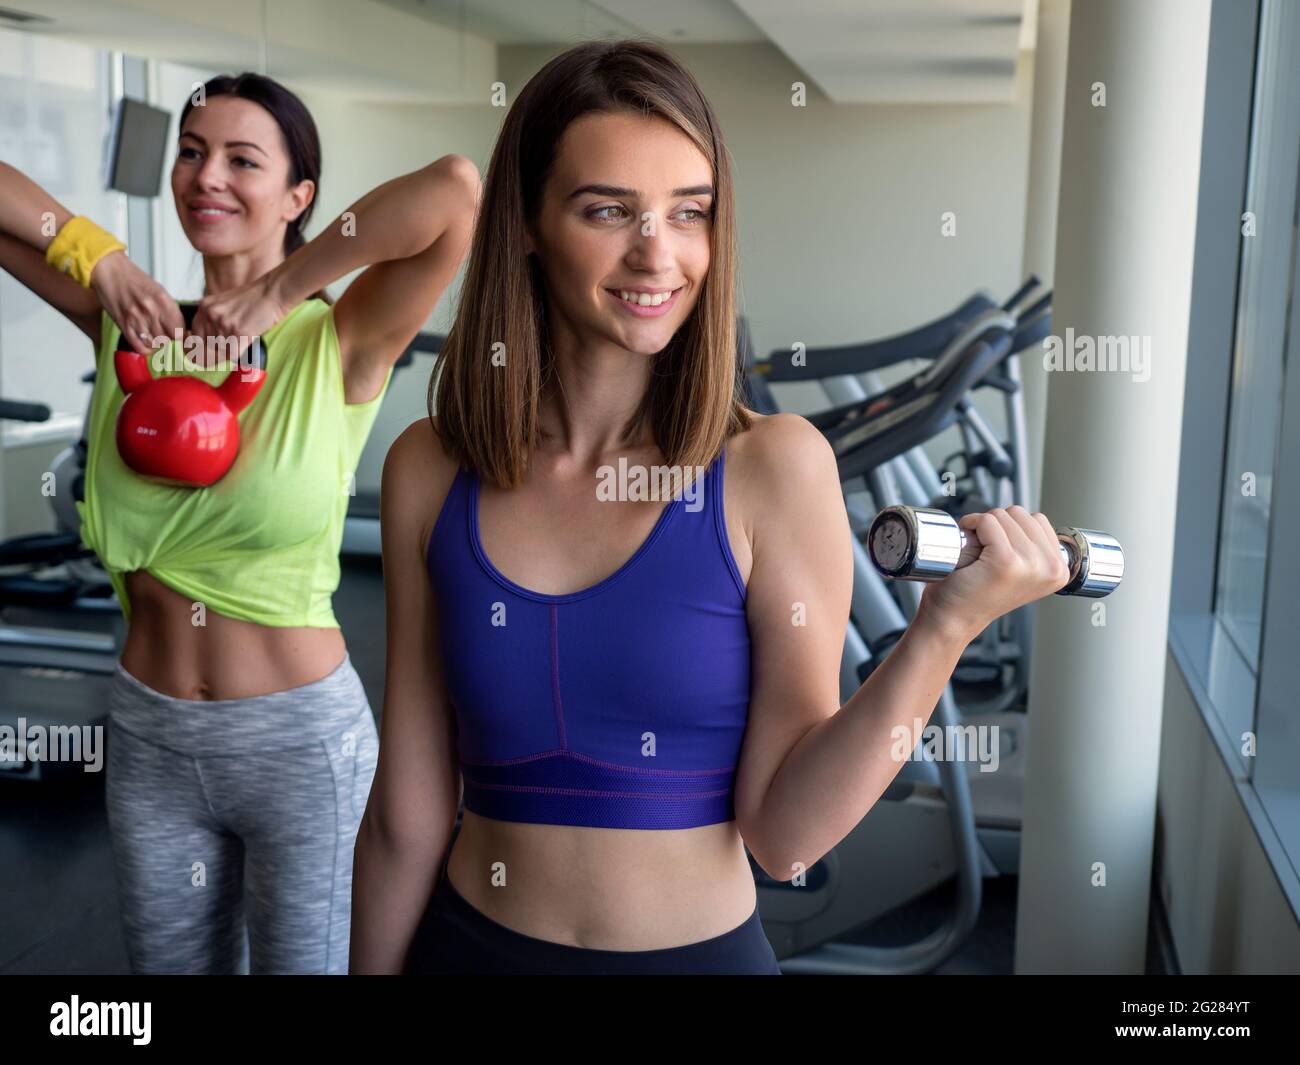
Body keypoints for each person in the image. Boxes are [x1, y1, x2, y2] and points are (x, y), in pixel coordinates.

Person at [351, 39, 1069, 976]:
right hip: (467, 949)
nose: (658, 252)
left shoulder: (773, 468)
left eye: (689, 213)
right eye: (609, 210)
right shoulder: (432, 467)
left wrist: (943, 629)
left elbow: (786, 836)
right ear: (526, 222)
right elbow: (407, 811)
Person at [0, 72, 479, 974]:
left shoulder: (343, 336)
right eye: (191, 151)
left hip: (298, 745)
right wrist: (101, 258)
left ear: (300, 198)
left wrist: (276, 295)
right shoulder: (128, 323)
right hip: (148, 736)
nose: (205, 175)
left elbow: (455, 189)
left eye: (242, 159)